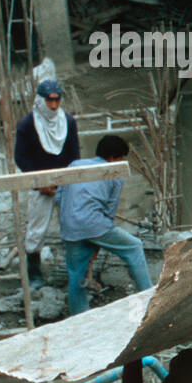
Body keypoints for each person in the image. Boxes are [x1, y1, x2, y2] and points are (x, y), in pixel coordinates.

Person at [56, 134, 153, 315]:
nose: (122, 161)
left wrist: (72, 223)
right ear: (113, 158)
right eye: (121, 158)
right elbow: (109, 210)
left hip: (70, 227)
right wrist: (99, 238)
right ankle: (149, 297)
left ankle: (79, 318)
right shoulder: (114, 172)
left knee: (77, 273)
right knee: (134, 247)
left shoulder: (75, 165)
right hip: (94, 225)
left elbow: (59, 198)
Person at [13, 77, 79, 287]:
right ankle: (34, 273)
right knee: (36, 229)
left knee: (71, 225)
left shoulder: (68, 122)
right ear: (40, 100)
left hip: (65, 183)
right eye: (49, 101)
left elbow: (74, 155)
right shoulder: (27, 125)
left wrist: (63, 181)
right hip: (40, 185)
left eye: (57, 100)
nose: (53, 106)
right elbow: (21, 157)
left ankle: (75, 271)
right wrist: (41, 182)